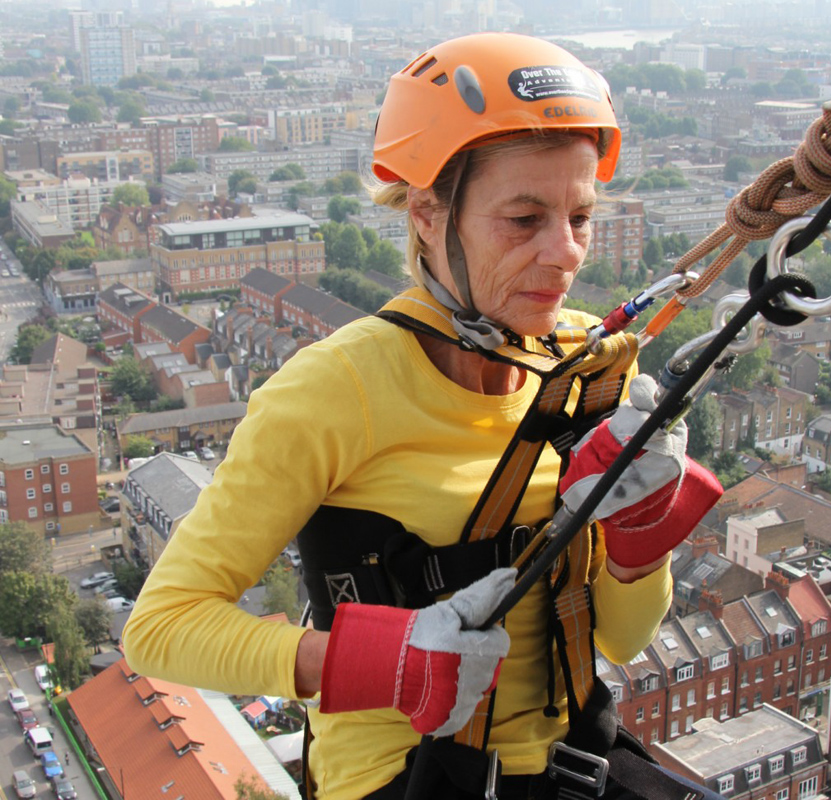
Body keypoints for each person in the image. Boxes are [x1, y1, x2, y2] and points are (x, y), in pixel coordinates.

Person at [123, 33, 722, 800]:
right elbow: (161, 627)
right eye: (523, 218)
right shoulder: (335, 390)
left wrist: (640, 548)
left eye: (580, 216)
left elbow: (620, 637)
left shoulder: (589, 367)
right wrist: (388, 657)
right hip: (402, 780)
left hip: (571, 759)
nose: (564, 253)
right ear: (428, 213)